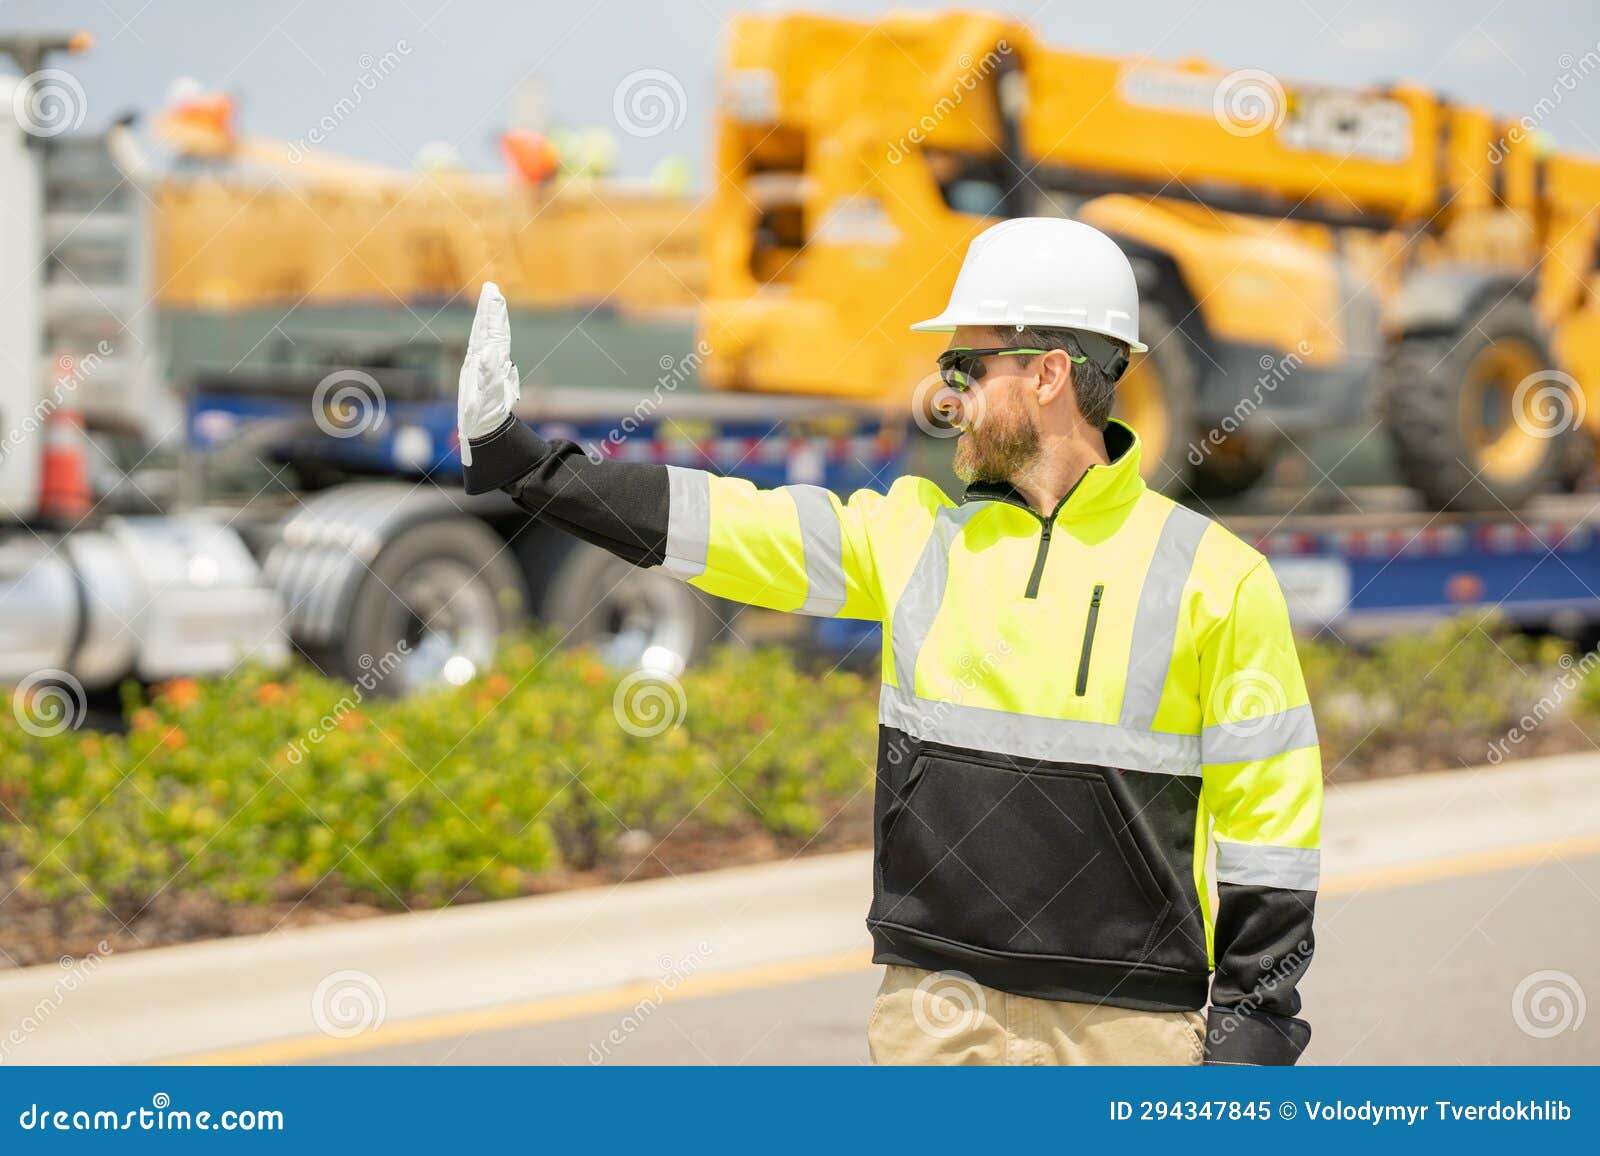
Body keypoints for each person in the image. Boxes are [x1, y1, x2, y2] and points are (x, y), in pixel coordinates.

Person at [456, 217, 1322, 1066]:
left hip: (1127, 1032)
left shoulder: (1217, 575)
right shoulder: (911, 537)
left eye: (964, 365)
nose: (947, 394)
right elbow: (728, 524)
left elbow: (1270, 818)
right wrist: (530, 469)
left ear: (1049, 373)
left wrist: (1256, 1021)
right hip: (936, 1014)